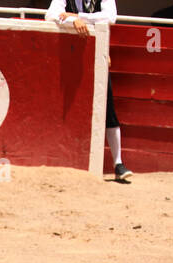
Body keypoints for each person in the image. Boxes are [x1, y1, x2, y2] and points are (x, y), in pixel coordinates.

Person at [45, 0, 134, 183]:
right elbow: (51, 15)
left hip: (96, 55)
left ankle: (118, 163)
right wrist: (72, 22)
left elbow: (111, 16)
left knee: (108, 107)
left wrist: (78, 17)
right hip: (67, 57)